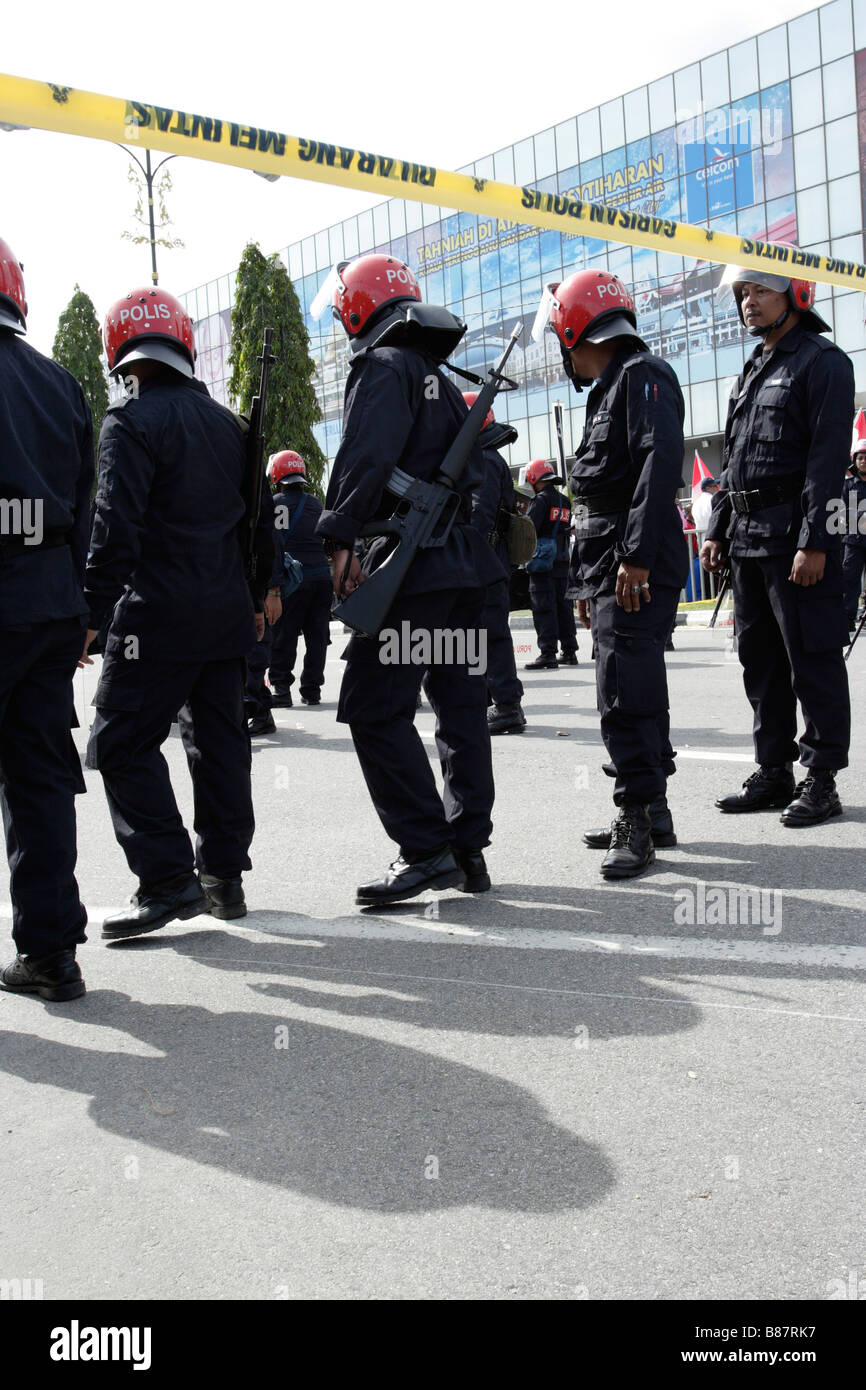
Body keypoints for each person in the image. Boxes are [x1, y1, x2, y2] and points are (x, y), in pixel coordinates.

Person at [83, 286, 274, 938]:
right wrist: (256, 597)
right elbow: (258, 528)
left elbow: (114, 530)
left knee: (121, 742)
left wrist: (90, 609)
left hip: (155, 617)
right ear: (184, 344)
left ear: (120, 352)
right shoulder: (230, 425)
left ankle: (167, 880)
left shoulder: (129, 422)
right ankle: (224, 878)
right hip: (223, 618)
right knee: (220, 747)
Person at [313, 253, 500, 905]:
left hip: (413, 574)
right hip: (461, 574)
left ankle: (425, 850)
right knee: (459, 709)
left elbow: (364, 457)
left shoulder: (382, 365)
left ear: (359, 308)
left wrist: (339, 535)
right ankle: (466, 848)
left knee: (372, 706)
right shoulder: (439, 377)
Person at [537, 268, 688, 878]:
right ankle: (655, 809)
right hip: (610, 563)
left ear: (575, 329)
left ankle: (637, 817)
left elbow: (658, 467)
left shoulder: (641, 376)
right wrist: (584, 581)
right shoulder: (610, 388)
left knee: (624, 692)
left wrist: (636, 557)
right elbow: (592, 501)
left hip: (632, 562)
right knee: (636, 684)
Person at [701, 262, 854, 826]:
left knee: (811, 659)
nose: (749, 302)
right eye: (743, 293)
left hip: (796, 541)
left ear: (795, 294)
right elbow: (734, 458)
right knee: (759, 663)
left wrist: (814, 542)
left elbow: (827, 463)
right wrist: (717, 527)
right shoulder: (754, 367)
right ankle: (774, 770)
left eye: (761, 290)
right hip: (747, 541)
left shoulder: (824, 363)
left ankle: (821, 779)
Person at [0, 236, 91, 1002]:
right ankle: (53, 951)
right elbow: (86, 504)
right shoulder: (59, 383)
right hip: (49, 601)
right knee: (38, 778)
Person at [463, 392, 526, 735]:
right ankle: (496, 700)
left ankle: (506, 705)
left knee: (491, 635)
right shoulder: (483, 457)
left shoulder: (484, 460)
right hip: (486, 559)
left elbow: (479, 515)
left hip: (483, 560)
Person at [266, 451, 332, 709]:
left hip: (294, 578)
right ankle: (312, 690)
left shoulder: (274, 503)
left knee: (285, 633)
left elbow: (272, 543)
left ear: (276, 475)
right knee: (317, 635)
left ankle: (281, 689)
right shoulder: (315, 503)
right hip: (321, 578)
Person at [523, 459, 578, 669]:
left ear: (534, 478)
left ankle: (548, 653)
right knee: (564, 607)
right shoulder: (565, 501)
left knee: (543, 607)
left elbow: (529, 530)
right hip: (562, 560)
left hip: (542, 563)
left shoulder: (539, 501)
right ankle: (569, 650)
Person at [842, 428, 866, 634]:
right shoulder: (847, 486)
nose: (864, 461)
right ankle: (848, 617)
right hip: (853, 542)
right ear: (855, 460)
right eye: (860, 458)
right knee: (850, 581)